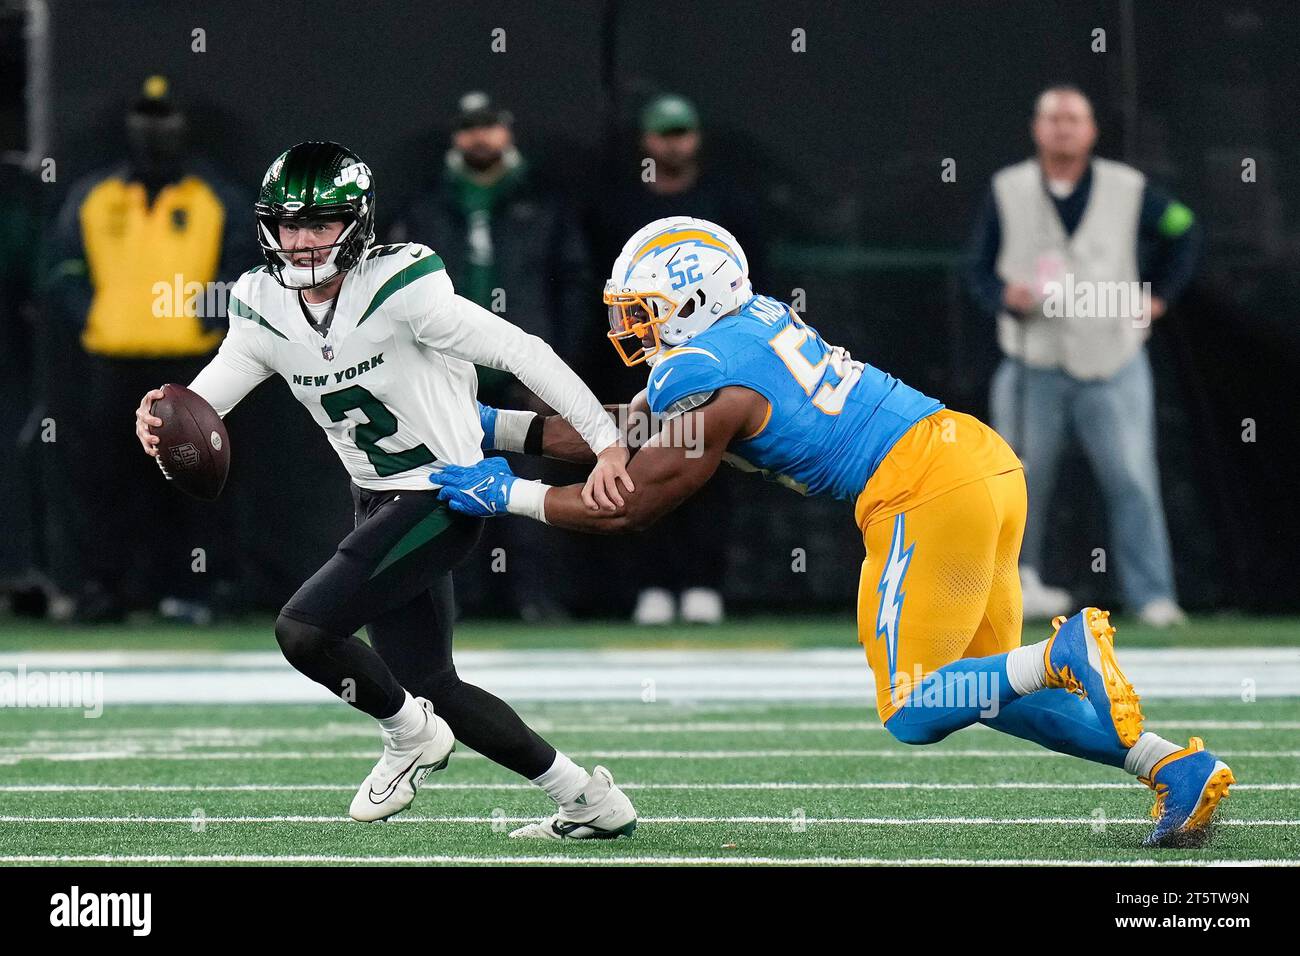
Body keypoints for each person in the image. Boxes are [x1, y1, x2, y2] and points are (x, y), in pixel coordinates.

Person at [437, 216, 1234, 848]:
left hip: (922, 491)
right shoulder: (742, 336)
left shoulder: (702, 371)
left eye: (642, 311)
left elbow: (633, 497)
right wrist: (496, 427)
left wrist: (509, 497)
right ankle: (1171, 764)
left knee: (914, 710)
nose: (633, 329)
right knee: (979, 691)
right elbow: (622, 433)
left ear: (693, 299)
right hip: (979, 464)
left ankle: (1062, 653)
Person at [133, 142, 637, 839]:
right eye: (290, 224)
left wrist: (607, 444)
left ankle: (408, 737)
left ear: (358, 223)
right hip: (375, 495)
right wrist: (161, 415)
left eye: (322, 222)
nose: (304, 241)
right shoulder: (259, 303)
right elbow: (206, 403)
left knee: (304, 631)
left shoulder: (403, 285)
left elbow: (521, 350)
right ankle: (587, 799)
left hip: (442, 495)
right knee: (434, 685)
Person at [967, 86, 1200, 626]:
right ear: (1036, 128)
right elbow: (976, 265)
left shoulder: (1128, 187)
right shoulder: (1008, 189)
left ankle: (1153, 594)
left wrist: (1159, 295)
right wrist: (1002, 296)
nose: (1063, 129)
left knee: (1132, 476)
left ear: (1091, 130)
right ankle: (1017, 582)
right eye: (1053, 119)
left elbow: (1184, 231)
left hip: (1111, 356)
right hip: (1033, 357)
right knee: (1017, 479)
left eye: (1074, 119)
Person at [47, 75, 253, 623]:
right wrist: (93, 314)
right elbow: (64, 266)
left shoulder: (215, 196)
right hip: (112, 360)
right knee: (107, 480)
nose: (154, 129)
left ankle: (199, 590)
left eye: (165, 117)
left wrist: (207, 321)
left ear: (184, 125)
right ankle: (106, 589)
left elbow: (240, 271)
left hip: (188, 360)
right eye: (145, 116)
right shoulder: (95, 194)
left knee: (197, 476)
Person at [392, 91, 592, 621]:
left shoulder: (543, 200)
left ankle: (536, 596)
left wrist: (558, 366)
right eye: (469, 128)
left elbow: (573, 286)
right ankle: (458, 600)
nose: (480, 138)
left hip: (522, 362)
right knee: (445, 483)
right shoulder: (428, 203)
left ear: (507, 131)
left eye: (489, 126)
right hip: (447, 366)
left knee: (533, 480)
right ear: (456, 136)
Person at [587, 93, 765, 625]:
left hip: (715, 353)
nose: (674, 143)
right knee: (646, 455)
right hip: (658, 351)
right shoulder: (620, 206)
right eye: (664, 133)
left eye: (682, 131)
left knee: (708, 460)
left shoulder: (727, 204)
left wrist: (513, 491)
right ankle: (654, 580)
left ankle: (703, 579)